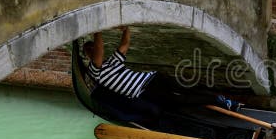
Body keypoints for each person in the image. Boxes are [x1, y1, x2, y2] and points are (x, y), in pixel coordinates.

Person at [83, 27, 240, 123]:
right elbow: (99, 50)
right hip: (146, 90)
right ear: (88, 56)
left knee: (186, 91)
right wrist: (97, 31)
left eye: (92, 48)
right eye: (89, 50)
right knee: (183, 96)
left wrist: (126, 30)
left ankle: (220, 100)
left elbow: (124, 45)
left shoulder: (112, 62)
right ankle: (223, 101)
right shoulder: (94, 70)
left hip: (153, 80)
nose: (93, 51)